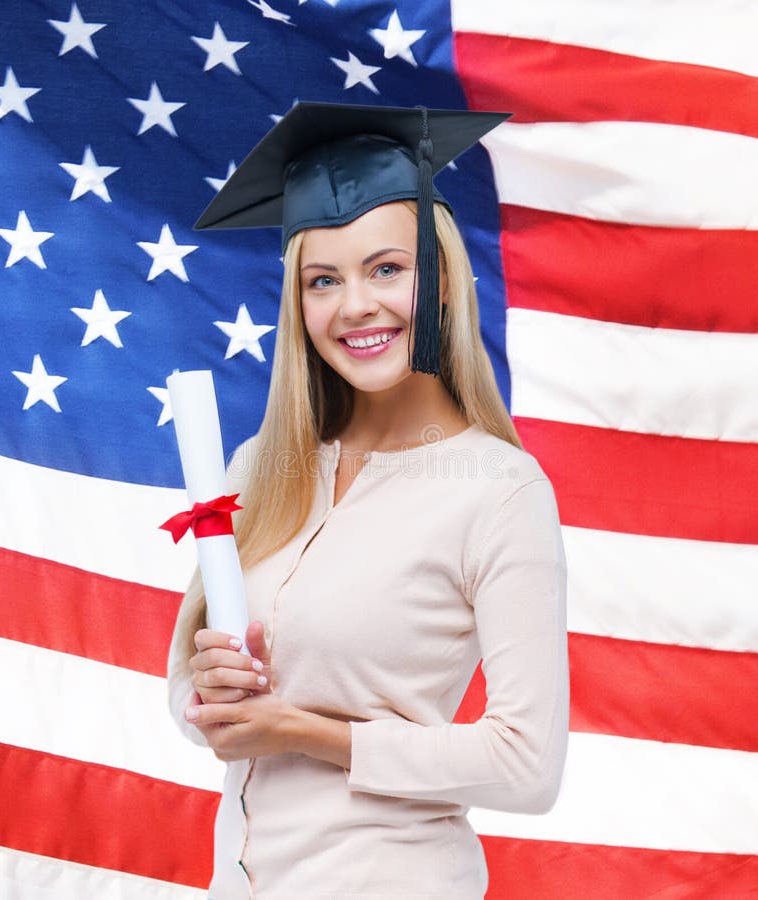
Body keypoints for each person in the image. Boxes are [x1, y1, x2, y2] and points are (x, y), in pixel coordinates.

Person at [167, 102, 569, 900]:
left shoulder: (498, 490)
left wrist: (307, 734)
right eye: (323, 280)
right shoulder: (262, 467)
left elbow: (528, 766)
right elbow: (190, 698)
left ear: (443, 279)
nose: (354, 306)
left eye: (386, 268)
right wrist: (206, 694)